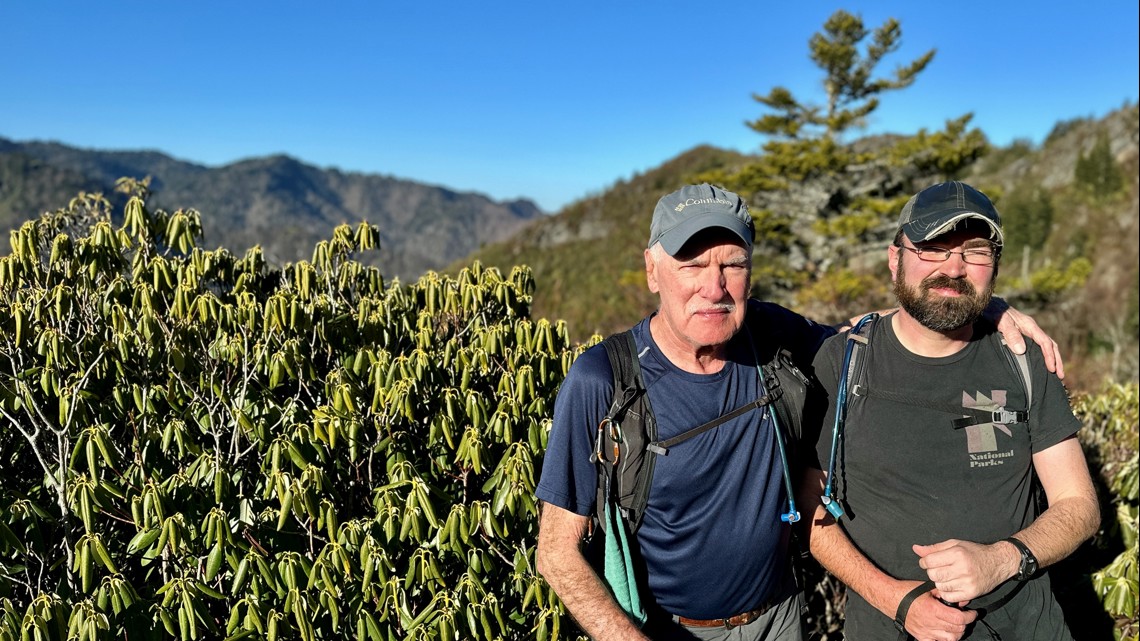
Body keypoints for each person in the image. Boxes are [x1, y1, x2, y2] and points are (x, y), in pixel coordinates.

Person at [535, 183, 1062, 641]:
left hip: (783, 619)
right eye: (691, 264)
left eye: (732, 264)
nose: (714, 287)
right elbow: (556, 554)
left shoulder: (773, 336)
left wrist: (980, 303)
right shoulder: (603, 379)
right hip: (666, 628)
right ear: (653, 270)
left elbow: (881, 329)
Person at [799, 181, 1099, 641]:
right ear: (895, 258)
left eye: (975, 252)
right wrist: (895, 600)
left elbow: (1078, 505)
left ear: (995, 267)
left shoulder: (1022, 359)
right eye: (933, 248)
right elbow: (810, 505)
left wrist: (1002, 559)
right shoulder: (842, 361)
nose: (954, 267)